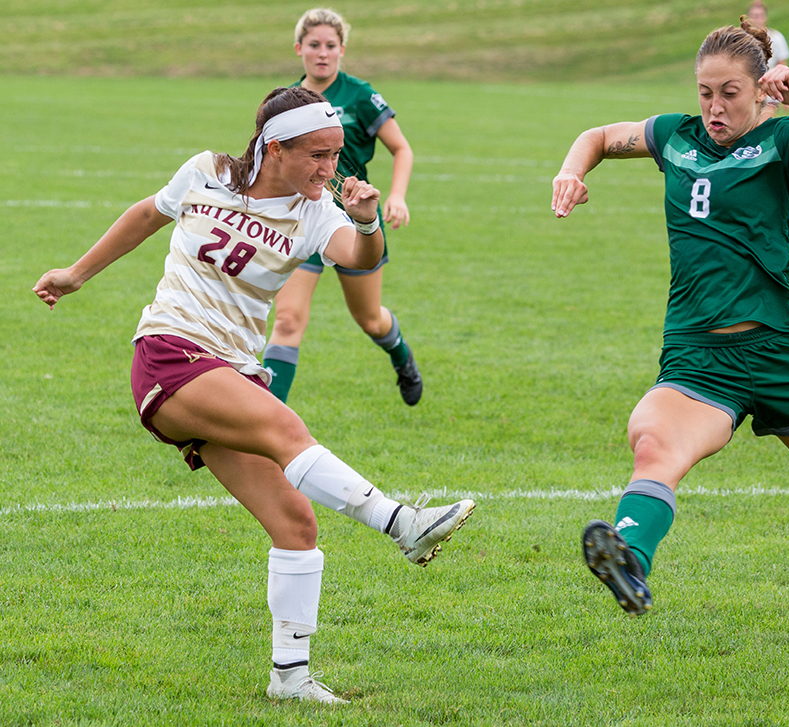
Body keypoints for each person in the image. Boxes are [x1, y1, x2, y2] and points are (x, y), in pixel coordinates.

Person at [33, 86, 474, 703]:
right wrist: (74, 274)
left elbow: (359, 256)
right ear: (273, 148)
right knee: (287, 431)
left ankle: (290, 679)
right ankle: (403, 524)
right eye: (317, 155)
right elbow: (145, 214)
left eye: (337, 154)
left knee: (296, 524)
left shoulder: (318, 211)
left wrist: (368, 218)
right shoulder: (208, 171)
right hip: (171, 353)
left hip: (232, 371)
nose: (331, 169)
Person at [551, 19, 789, 617]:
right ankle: (630, 556)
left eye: (729, 92)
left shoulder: (786, 143)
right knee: (652, 445)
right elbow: (598, 135)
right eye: (705, 92)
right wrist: (571, 171)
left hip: (781, 351)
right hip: (699, 358)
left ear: (761, 90)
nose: (713, 107)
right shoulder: (674, 138)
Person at [262, 8, 422, 405]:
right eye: (314, 45)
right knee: (286, 320)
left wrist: (397, 196)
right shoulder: (287, 101)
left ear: (342, 50)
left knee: (370, 319)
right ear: (299, 49)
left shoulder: (360, 95)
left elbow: (401, 149)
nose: (322, 53)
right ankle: (267, 420)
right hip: (301, 218)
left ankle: (400, 355)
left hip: (351, 219)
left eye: (330, 46)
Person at [747, 1, 789, 70]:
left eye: (760, 16)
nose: (757, 20)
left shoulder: (776, 37)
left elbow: (782, 63)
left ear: (765, 17)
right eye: (754, 16)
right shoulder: (743, 38)